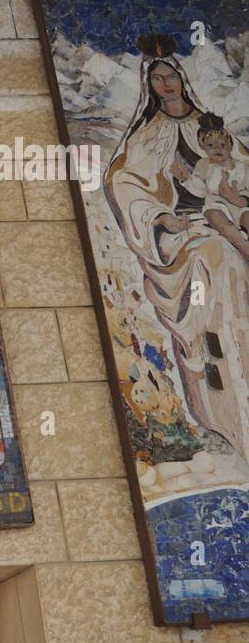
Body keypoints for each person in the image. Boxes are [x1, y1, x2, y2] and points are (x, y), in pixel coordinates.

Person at [103, 32, 249, 457]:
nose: (165, 84)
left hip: (227, 210)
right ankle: (224, 392)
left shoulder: (211, 127)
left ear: (183, 80)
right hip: (188, 227)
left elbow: (239, 167)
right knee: (216, 257)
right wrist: (159, 215)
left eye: (171, 76)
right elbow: (123, 182)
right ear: (149, 87)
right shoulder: (149, 135)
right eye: (157, 79)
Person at [181, 113, 249, 260]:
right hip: (217, 205)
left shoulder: (241, 167)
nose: (217, 149)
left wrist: (237, 199)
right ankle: (243, 246)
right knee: (213, 215)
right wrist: (186, 178)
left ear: (230, 145)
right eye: (210, 145)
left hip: (240, 206)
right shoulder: (204, 165)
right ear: (203, 147)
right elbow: (200, 191)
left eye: (223, 145)